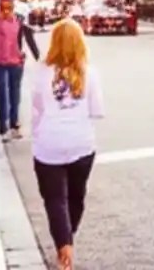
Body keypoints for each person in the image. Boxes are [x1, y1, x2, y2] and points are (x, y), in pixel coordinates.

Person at [32, 19, 104, 270]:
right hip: (81, 143)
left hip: (48, 143)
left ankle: (64, 246)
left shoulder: (42, 72)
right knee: (76, 196)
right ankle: (66, 242)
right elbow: (97, 110)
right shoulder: (89, 72)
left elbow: (37, 108)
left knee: (54, 200)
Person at [0, 0, 40, 140]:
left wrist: (37, 56)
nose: (6, 11)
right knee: (3, 95)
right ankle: (3, 128)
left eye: (9, 8)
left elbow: (29, 39)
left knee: (15, 95)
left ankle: (14, 126)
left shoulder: (19, 21)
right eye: (3, 8)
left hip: (16, 62)